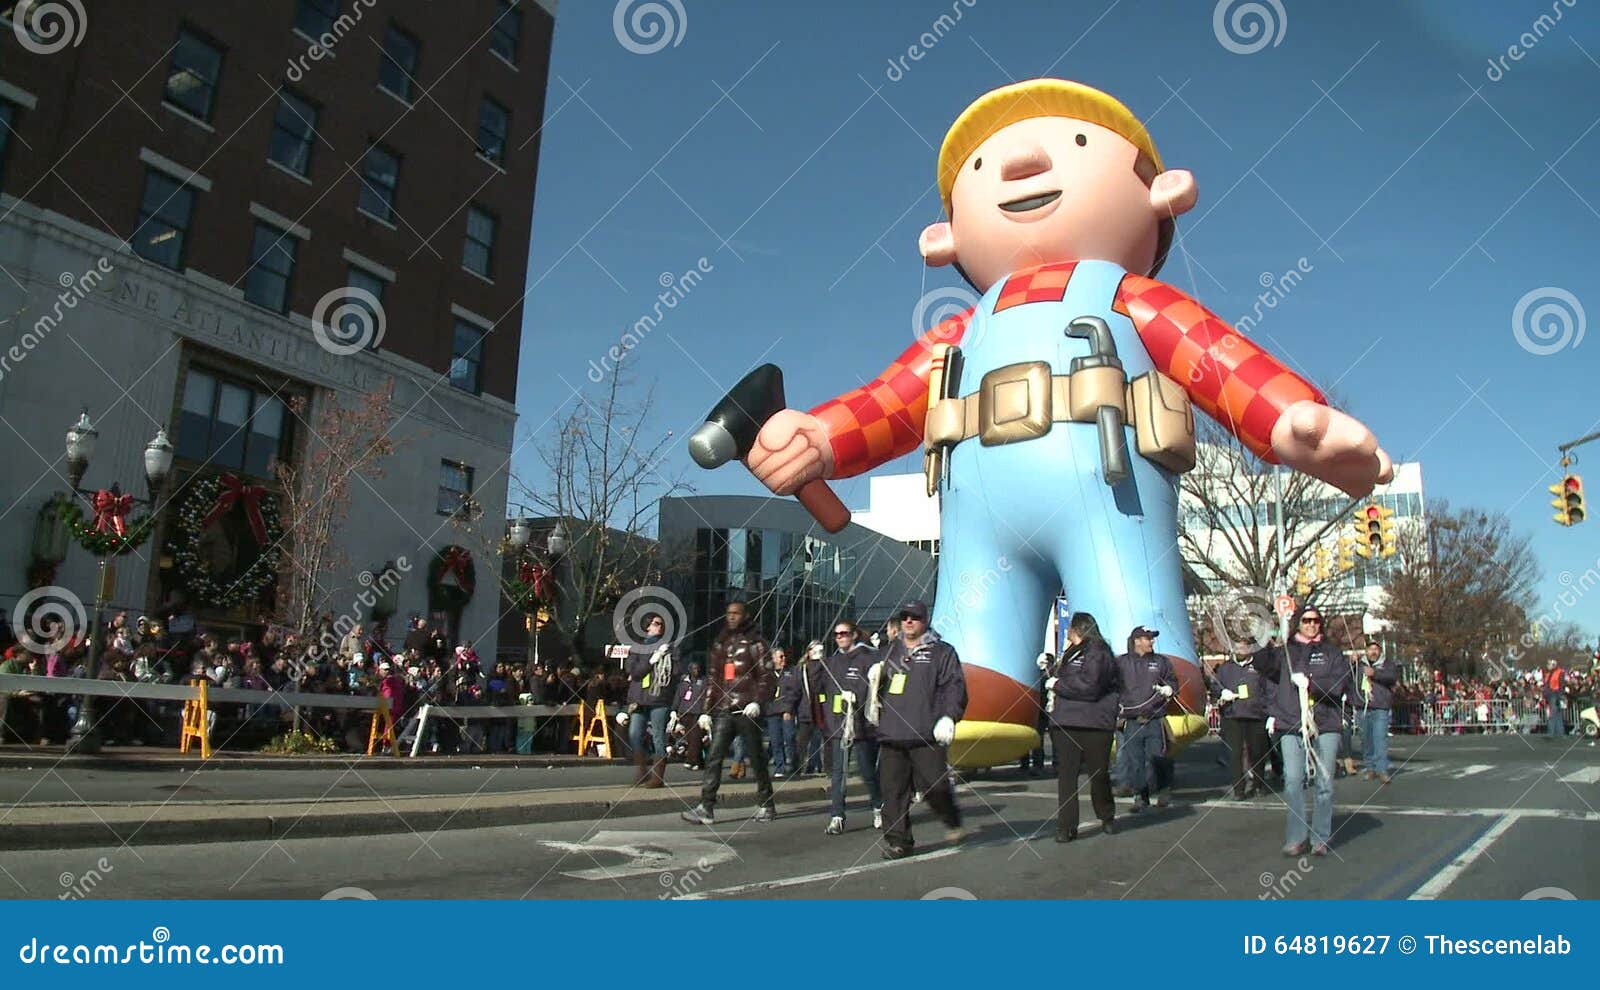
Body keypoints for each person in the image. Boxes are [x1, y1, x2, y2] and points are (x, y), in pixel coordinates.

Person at [867, 600, 965, 859]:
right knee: (893, 791)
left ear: (925, 620)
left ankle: (951, 817)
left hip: (925, 733)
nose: (909, 621)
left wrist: (948, 717)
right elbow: (872, 690)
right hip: (892, 734)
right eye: (905, 617)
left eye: (915, 617)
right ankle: (899, 841)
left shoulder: (942, 652)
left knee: (935, 787)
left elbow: (953, 687)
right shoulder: (889, 652)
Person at [1260, 606, 1351, 856]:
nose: (1312, 625)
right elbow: (1264, 670)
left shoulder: (1332, 652)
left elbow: (1340, 682)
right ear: (1298, 623)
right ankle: (1296, 836)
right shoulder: (1285, 652)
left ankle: (1320, 836)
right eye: (1306, 620)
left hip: (1326, 722)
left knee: (1324, 782)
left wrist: (1312, 684)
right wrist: (1273, 637)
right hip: (1291, 722)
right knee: (1292, 780)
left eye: (1316, 621)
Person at [681, 600, 777, 826]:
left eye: (736, 613)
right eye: (729, 613)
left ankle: (767, 803)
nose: (732, 617)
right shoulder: (720, 643)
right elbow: (714, 679)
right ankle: (706, 806)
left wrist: (758, 702)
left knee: (757, 760)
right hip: (725, 710)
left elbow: (767, 677)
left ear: (745, 615)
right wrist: (706, 711)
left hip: (747, 710)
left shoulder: (757, 643)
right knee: (714, 757)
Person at [1045, 612, 1121, 841]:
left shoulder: (1099, 652)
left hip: (1095, 723)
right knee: (1067, 776)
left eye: (1070, 628)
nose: (1067, 631)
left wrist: (1058, 684)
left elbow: (1091, 685)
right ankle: (1066, 826)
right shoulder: (1070, 653)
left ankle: (1106, 813)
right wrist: (1050, 669)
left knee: (1098, 774)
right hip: (1067, 721)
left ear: (1078, 629)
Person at [819, 621, 883, 834]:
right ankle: (837, 816)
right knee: (839, 772)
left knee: (867, 770)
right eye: (836, 634)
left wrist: (858, 696)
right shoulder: (832, 661)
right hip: (839, 724)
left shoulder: (867, 656)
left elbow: (874, 684)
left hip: (862, 724)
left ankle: (878, 806)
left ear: (854, 635)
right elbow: (823, 690)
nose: (840, 637)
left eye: (844, 633)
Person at [1114, 626, 1178, 812]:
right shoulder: (1121, 663)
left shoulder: (1161, 662)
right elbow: (1111, 686)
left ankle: (1163, 792)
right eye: (1148, 638)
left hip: (1155, 718)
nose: (1151, 641)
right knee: (1135, 761)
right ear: (1137, 641)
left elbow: (1172, 682)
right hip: (1132, 720)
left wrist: (1170, 689)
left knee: (1158, 757)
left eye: (1152, 638)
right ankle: (1140, 796)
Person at [1212, 637, 1272, 799]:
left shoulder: (1259, 667)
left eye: (1243, 647)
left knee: (1257, 752)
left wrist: (1268, 710)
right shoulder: (1225, 668)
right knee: (1235, 754)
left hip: (1256, 715)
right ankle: (1239, 789)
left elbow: (1268, 689)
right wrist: (1221, 692)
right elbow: (1215, 685)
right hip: (1232, 716)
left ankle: (1259, 784)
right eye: (1237, 647)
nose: (1240, 650)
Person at [620, 614, 675, 788]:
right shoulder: (637, 648)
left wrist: (668, 656)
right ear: (647, 627)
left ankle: (658, 777)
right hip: (639, 698)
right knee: (634, 733)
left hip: (659, 698)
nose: (660, 627)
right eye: (657, 623)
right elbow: (633, 672)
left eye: (662, 624)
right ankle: (642, 770)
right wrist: (652, 659)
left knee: (658, 736)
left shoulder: (670, 647)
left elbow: (677, 672)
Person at [1354, 640, 1397, 782]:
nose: (1373, 652)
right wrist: (1352, 663)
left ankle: (1382, 769)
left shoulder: (1387, 664)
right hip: (1363, 707)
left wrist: (1375, 673)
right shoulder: (1359, 665)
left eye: (1375, 649)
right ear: (1366, 651)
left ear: (1380, 651)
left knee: (1380, 738)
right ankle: (1370, 767)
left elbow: (1392, 677)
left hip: (1381, 707)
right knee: (1366, 739)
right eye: (1370, 649)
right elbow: (1348, 677)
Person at [794, 640, 828, 776]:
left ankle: (815, 765)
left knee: (818, 739)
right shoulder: (802, 668)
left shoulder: (826, 667)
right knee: (802, 740)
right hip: (806, 707)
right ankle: (798, 767)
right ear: (808, 652)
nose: (817, 653)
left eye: (820, 651)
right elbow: (796, 689)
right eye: (814, 650)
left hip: (821, 707)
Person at [766, 646, 798, 777]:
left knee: (789, 737)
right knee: (775, 740)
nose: (783, 659)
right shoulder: (768, 675)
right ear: (773, 659)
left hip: (786, 711)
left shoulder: (790, 672)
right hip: (772, 711)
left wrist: (788, 709)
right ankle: (780, 766)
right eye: (780, 657)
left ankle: (793, 764)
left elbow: (794, 691)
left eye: (784, 656)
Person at [672, 661, 708, 769]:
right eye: (694, 668)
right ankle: (699, 761)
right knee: (691, 738)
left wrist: (706, 711)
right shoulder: (684, 682)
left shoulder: (705, 681)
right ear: (689, 670)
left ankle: (691, 760)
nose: (696, 671)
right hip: (685, 712)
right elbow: (678, 696)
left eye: (698, 668)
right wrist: (674, 709)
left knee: (695, 737)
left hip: (698, 712)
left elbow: (707, 697)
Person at [1544, 659, 1566, 739]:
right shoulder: (1548, 674)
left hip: (1555, 695)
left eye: (1549, 664)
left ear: (1554, 665)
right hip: (1550, 695)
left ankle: (1551, 733)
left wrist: (1560, 696)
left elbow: (1561, 685)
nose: (1547, 665)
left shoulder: (1560, 672)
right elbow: (1546, 685)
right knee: (1557, 714)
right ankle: (1560, 733)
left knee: (1552, 714)